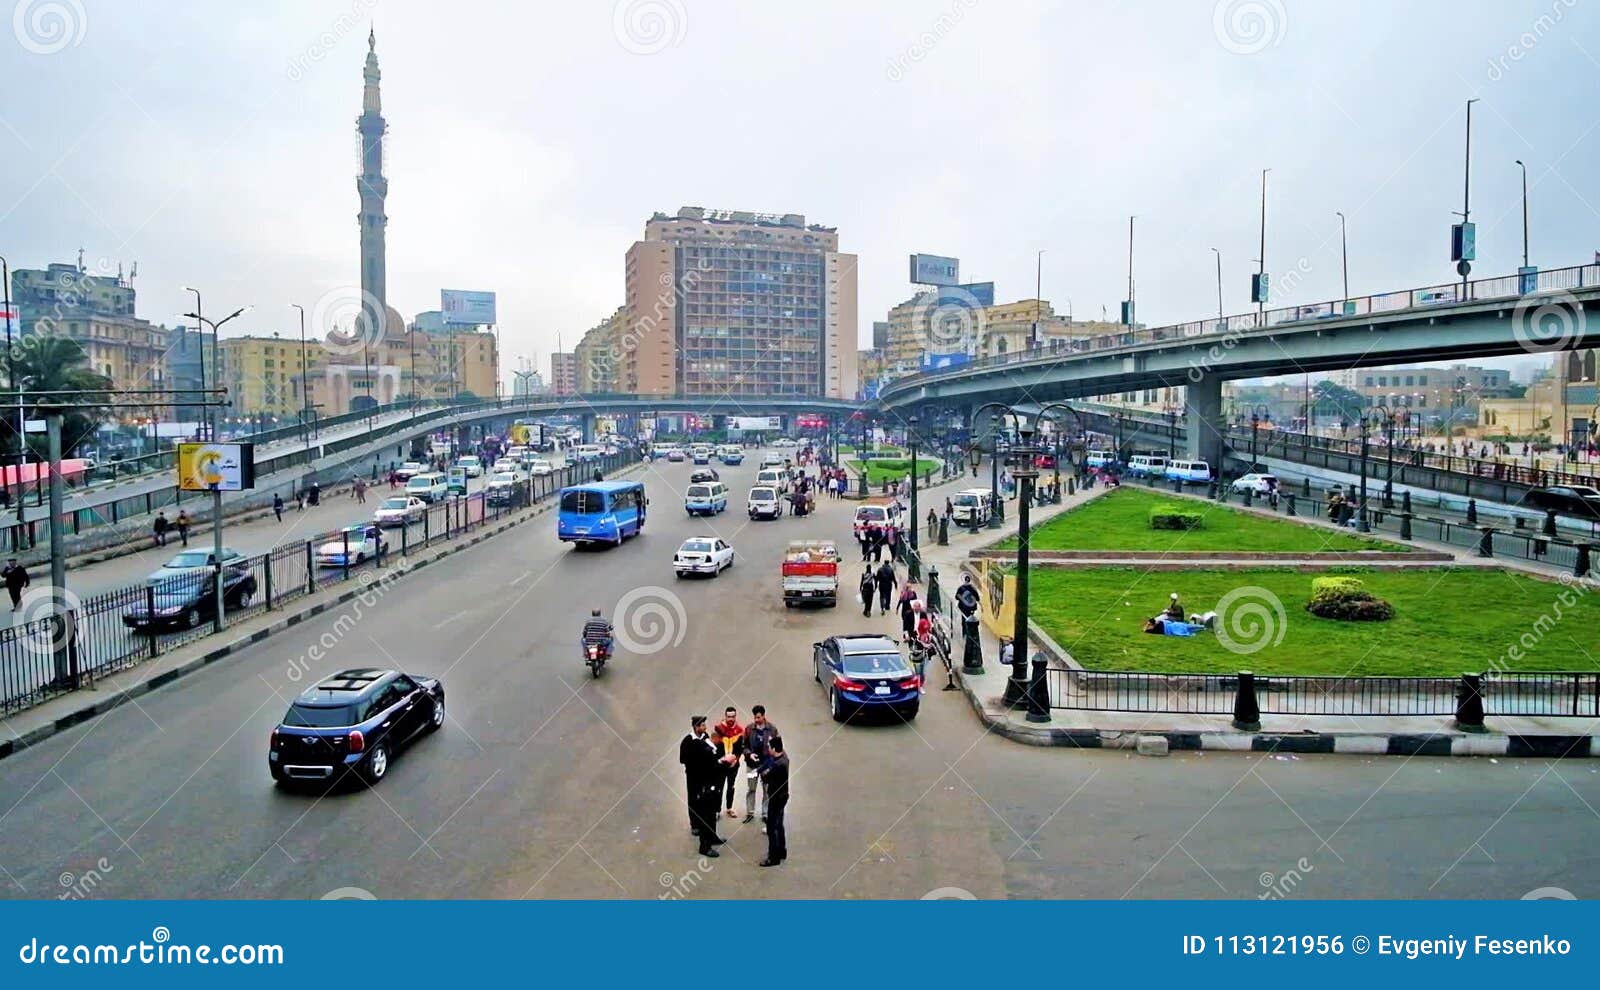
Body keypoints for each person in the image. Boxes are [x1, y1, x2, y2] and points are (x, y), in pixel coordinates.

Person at [678, 716, 729, 857]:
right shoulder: (689, 742)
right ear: (696, 727)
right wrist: (700, 761)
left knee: (711, 812)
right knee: (700, 807)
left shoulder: (706, 740)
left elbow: (713, 756)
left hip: (709, 781)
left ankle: (712, 836)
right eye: (702, 725)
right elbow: (683, 759)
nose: (705, 728)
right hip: (696, 780)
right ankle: (702, 840)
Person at [743, 705, 779, 825]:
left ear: (764, 716)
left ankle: (765, 813)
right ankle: (750, 812)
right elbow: (744, 746)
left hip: (766, 764)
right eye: (755, 717)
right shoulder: (749, 729)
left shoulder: (772, 729)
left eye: (758, 717)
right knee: (751, 788)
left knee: (767, 790)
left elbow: (777, 747)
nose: (756, 720)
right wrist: (749, 754)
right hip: (752, 764)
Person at [759, 735, 790, 867]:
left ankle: (773, 857)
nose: (768, 750)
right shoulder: (784, 759)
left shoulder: (777, 765)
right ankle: (782, 850)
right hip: (783, 796)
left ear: (774, 748)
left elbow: (766, 778)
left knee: (772, 828)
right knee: (779, 824)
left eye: (769, 747)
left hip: (776, 798)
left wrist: (763, 773)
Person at [711, 707, 745, 820]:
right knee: (719, 787)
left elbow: (740, 748)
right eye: (729, 716)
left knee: (731, 787)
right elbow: (714, 747)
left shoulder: (740, 731)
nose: (731, 718)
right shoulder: (718, 729)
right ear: (725, 716)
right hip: (721, 765)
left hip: (733, 765)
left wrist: (735, 760)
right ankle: (716, 810)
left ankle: (729, 808)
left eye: (733, 716)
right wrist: (721, 760)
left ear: (735, 716)